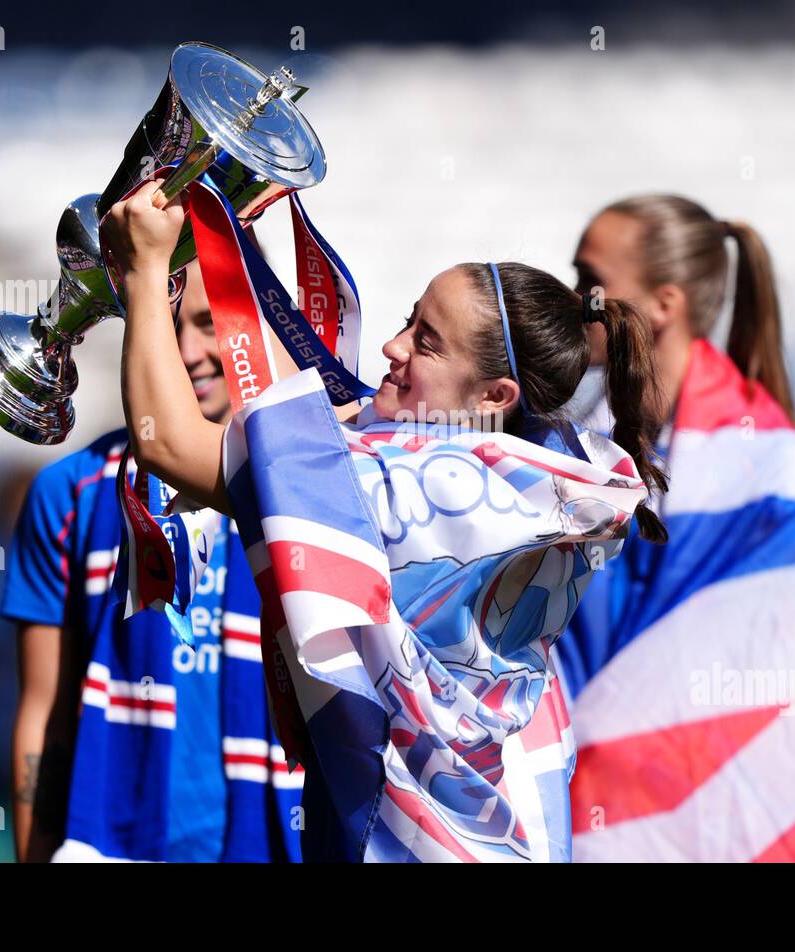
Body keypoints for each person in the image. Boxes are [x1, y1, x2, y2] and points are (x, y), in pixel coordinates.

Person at [102, 180, 666, 862]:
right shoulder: (539, 456)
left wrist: (144, 275)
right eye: (407, 319)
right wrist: (234, 250)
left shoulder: (408, 492)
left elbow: (169, 444)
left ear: (493, 394)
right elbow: (307, 420)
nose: (394, 348)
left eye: (426, 342)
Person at [559, 194, 795, 862]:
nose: (572, 301)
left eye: (590, 281)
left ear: (664, 305)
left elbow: (753, 702)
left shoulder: (776, 472)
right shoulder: (576, 448)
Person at [3, 258, 304, 863]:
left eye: (210, 321)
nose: (189, 352)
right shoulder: (71, 493)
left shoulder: (311, 486)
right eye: (166, 325)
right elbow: (45, 714)